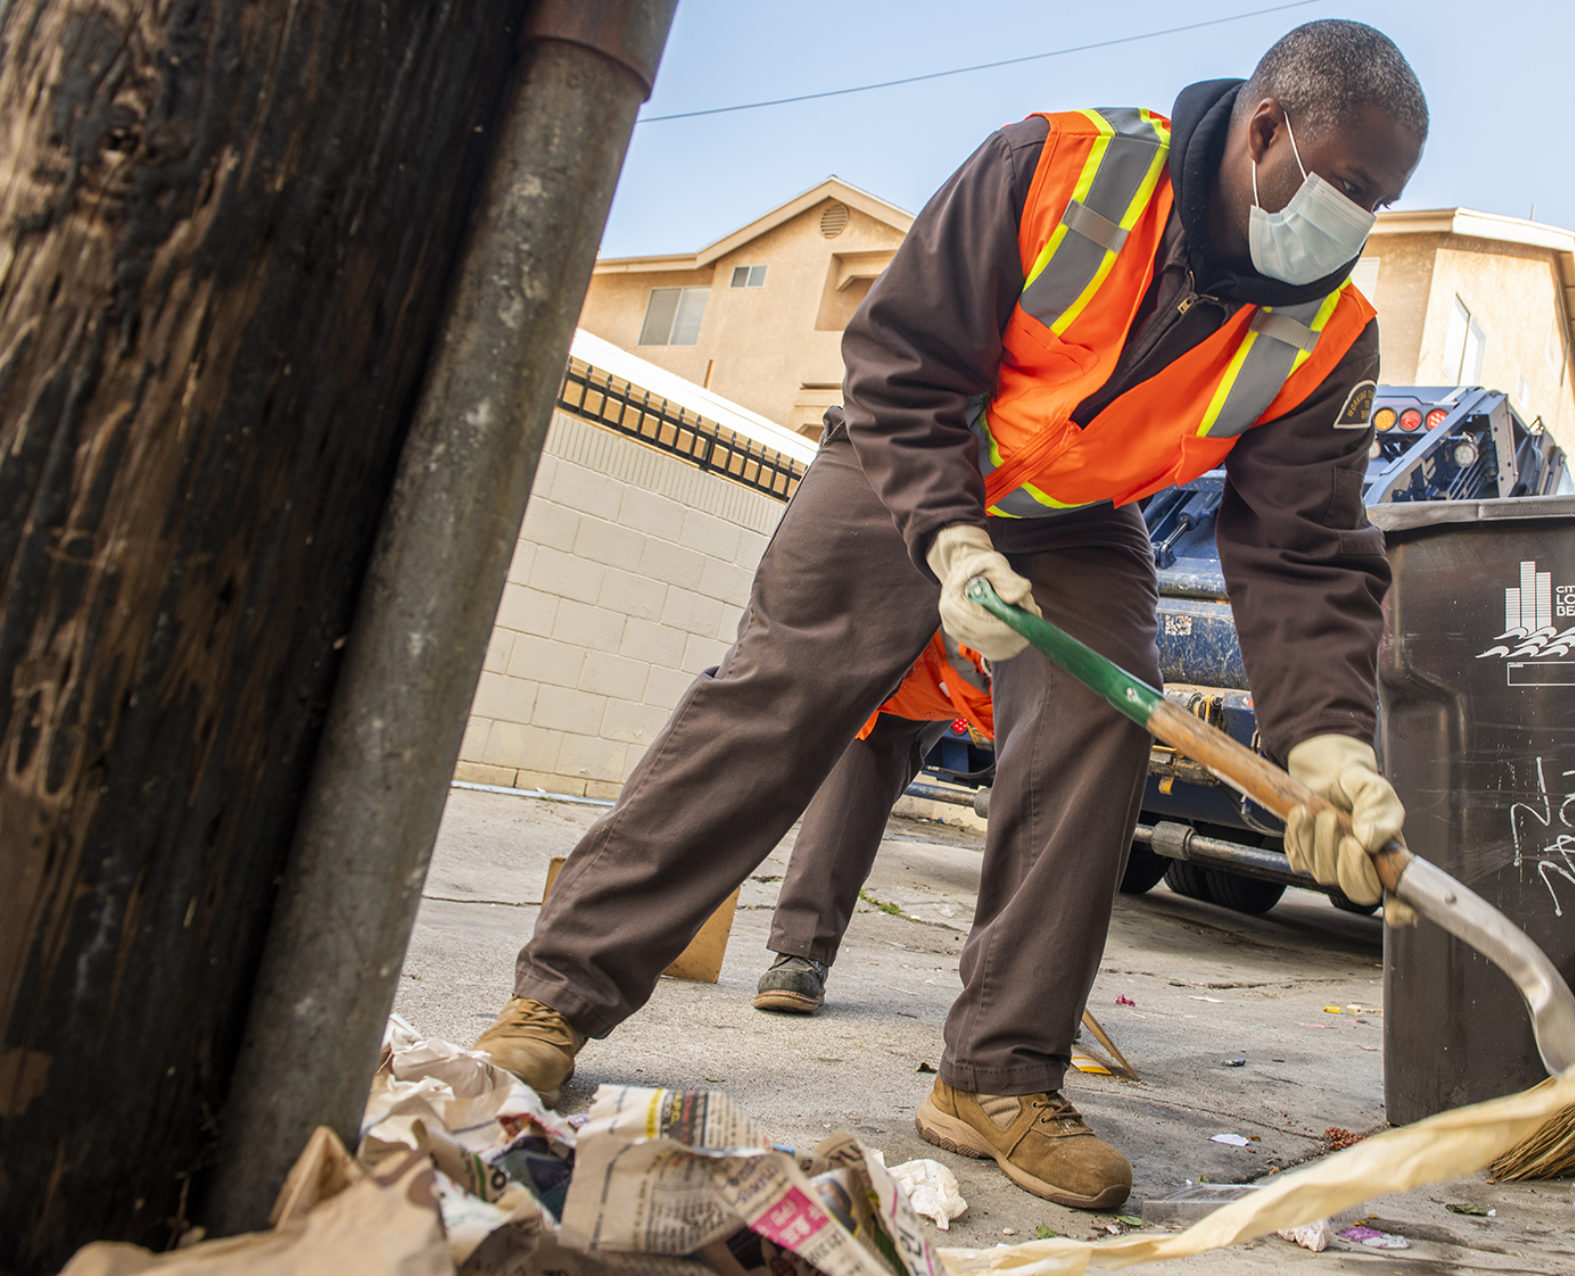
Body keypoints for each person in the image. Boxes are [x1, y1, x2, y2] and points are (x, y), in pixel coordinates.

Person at [475, 19, 1426, 1213]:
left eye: (1378, 200)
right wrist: (946, 533)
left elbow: (1300, 552)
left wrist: (1328, 741)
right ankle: (555, 998)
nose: (1352, 217)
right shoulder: (1060, 164)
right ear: (1264, 127)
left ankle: (999, 1073)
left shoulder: (1328, 331)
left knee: (1098, 716)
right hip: (915, 455)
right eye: (1343, 182)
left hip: (1076, 514)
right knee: (782, 692)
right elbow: (902, 359)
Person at [754, 630, 993, 1014]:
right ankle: (802, 950)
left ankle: (1033, 996)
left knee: (1057, 795)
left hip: (1032, 664)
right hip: (915, 653)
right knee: (862, 761)